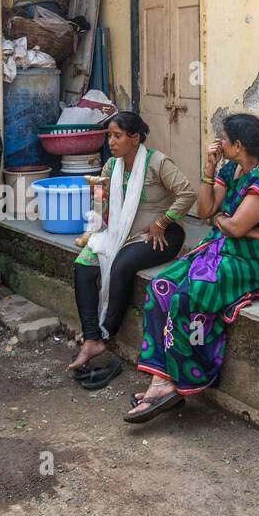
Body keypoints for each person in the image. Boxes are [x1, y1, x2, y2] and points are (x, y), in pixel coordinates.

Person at [127, 113, 259, 423]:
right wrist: (209, 170)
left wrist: (224, 223)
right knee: (159, 288)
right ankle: (162, 380)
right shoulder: (231, 168)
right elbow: (205, 209)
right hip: (220, 249)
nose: (218, 141)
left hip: (252, 260)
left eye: (224, 138)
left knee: (186, 298)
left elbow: (231, 227)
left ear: (238, 144)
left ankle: (180, 379)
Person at [68, 111, 195, 389]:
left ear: (135, 138)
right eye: (109, 136)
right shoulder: (111, 167)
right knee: (83, 264)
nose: (111, 142)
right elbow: (102, 208)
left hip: (161, 234)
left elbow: (187, 193)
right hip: (119, 233)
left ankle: (105, 335)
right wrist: (97, 205)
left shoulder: (157, 162)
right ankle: (91, 339)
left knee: (122, 265)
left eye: (117, 136)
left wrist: (162, 222)